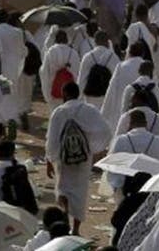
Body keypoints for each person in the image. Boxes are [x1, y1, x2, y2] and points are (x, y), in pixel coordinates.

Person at [45, 81, 112, 233]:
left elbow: (52, 139)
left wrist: (50, 159)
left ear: (65, 94)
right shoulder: (89, 110)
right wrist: (93, 148)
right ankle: (75, 228)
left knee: (63, 189)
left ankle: (64, 211)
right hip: (83, 159)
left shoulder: (59, 112)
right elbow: (106, 131)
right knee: (80, 192)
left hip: (63, 158)